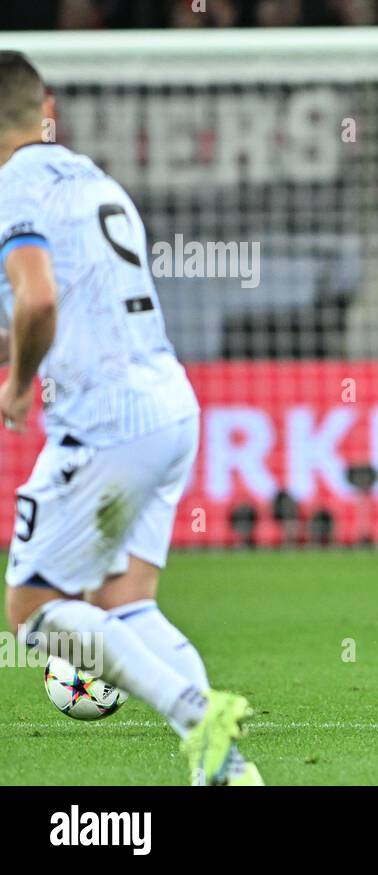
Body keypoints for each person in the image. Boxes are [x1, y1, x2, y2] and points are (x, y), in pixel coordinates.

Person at [0, 51, 261, 784]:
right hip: (170, 406)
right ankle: (228, 771)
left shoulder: (13, 187)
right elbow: (47, 310)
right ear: (42, 106)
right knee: (123, 600)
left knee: (32, 610)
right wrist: (18, 347)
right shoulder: (91, 179)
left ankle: (193, 709)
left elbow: (40, 301)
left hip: (107, 422)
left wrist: (19, 382)